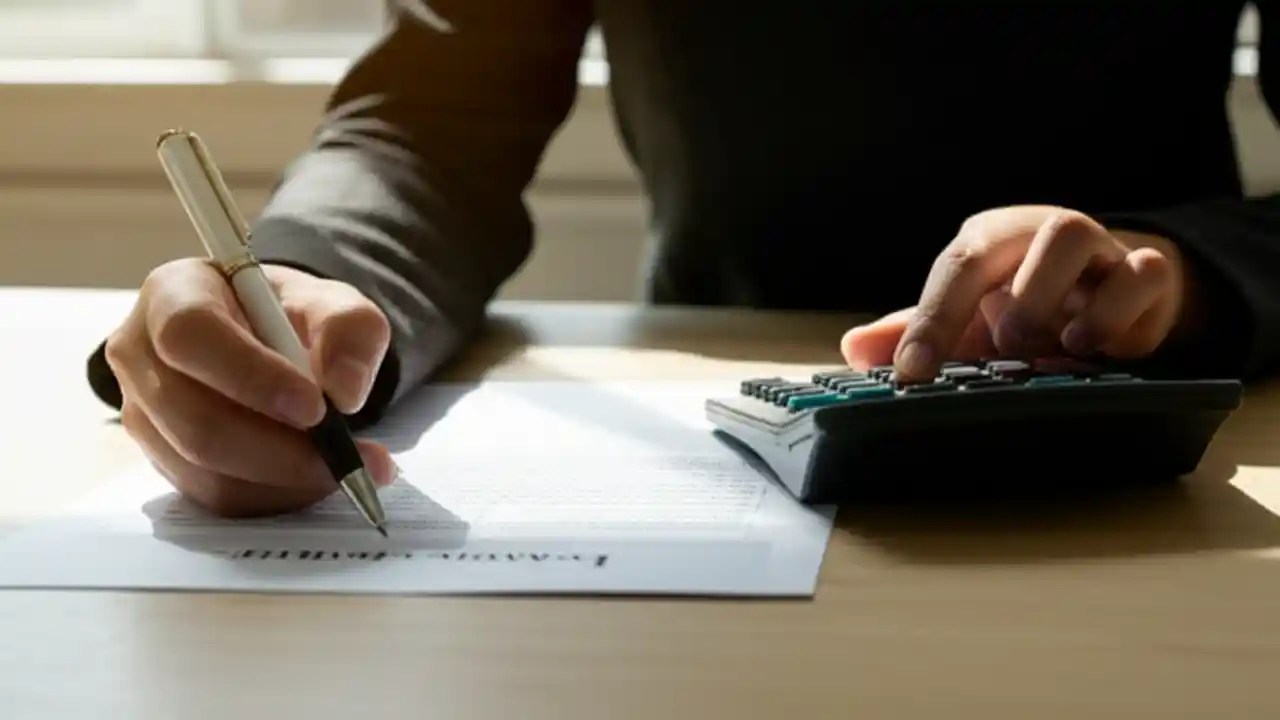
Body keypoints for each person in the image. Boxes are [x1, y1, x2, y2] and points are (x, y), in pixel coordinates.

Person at [89, 2, 1280, 517]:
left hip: (1160, 409)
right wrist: (305, 277)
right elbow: (433, 116)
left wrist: (1180, 267)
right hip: (729, 425)